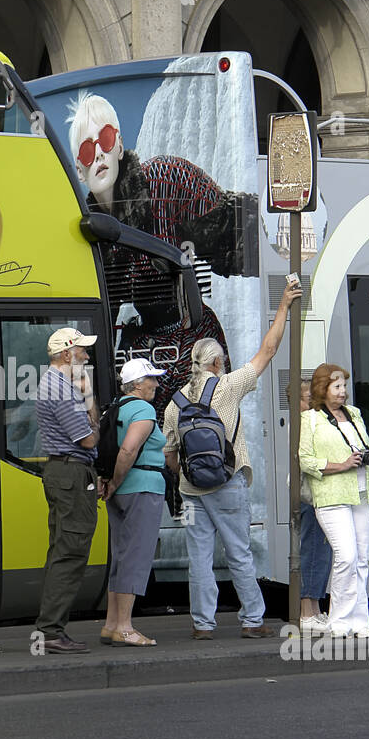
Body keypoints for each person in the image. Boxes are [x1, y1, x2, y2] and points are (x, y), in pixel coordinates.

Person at [68, 92, 252, 416]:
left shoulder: (167, 180)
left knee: (200, 433)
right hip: (142, 352)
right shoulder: (91, 235)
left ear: (120, 145)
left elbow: (240, 236)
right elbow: (99, 319)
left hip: (193, 339)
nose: (98, 153)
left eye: (106, 139)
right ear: (80, 171)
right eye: (87, 149)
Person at [163, 276, 301, 639]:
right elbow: (268, 351)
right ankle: (253, 620)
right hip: (227, 484)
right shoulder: (226, 387)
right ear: (217, 362)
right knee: (239, 553)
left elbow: (171, 454)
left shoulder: (175, 403)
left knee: (199, 558)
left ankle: (203, 625)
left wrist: (188, 479)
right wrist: (283, 304)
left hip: (192, 491)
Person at [299, 364, 369, 638]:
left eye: (344, 386)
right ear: (322, 389)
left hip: (361, 492)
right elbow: (305, 460)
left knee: (360, 558)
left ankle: (360, 621)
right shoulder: (310, 419)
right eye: (337, 387)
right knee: (346, 556)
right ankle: (338, 620)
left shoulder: (355, 414)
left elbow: (366, 451)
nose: (343, 392)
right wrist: (341, 465)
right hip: (331, 495)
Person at [34, 326, 101, 654]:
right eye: (82, 352)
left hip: (65, 472)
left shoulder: (58, 384)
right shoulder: (61, 388)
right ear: (66, 355)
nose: (87, 357)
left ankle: (50, 628)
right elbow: (88, 439)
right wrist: (93, 411)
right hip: (72, 473)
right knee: (71, 552)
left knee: (62, 550)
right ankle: (51, 631)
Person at [98, 358, 168, 647]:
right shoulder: (143, 409)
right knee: (136, 557)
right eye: (151, 379)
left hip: (122, 491)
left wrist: (112, 483)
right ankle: (125, 627)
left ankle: (111, 624)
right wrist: (116, 480)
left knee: (121, 555)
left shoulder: (116, 408)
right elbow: (128, 449)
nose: (156, 384)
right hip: (141, 487)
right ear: (137, 385)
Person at [288, 378, 332, 632]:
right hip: (311, 494)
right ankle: (308, 611)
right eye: (309, 399)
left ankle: (313, 609)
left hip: (312, 494)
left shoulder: (303, 424)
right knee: (315, 550)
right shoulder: (306, 425)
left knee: (318, 550)